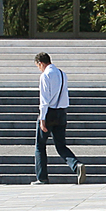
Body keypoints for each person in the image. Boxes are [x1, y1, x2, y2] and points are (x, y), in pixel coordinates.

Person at [34, 52, 86, 185]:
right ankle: (76, 165)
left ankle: (42, 177)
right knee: (61, 145)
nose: (39, 68)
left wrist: (42, 118)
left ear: (41, 63)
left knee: (40, 146)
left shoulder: (45, 75)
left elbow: (44, 99)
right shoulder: (62, 74)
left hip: (49, 113)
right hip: (61, 112)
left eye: (38, 66)